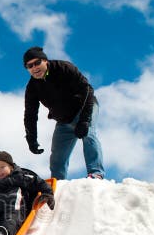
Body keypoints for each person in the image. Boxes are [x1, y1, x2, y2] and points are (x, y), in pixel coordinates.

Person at [22, 46, 105, 180]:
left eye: (37, 63)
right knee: (57, 156)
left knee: (88, 134)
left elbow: (87, 90)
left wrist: (84, 120)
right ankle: (57, 183)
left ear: (45, 61)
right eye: (29, 66)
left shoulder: (64, 68)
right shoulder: (32, 87)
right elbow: (30, 114)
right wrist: (31, 139)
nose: (34, 68)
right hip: (63, 121)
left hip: (83, 109)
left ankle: (96, 173)